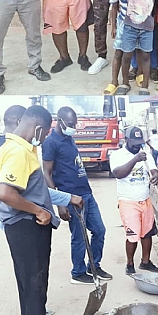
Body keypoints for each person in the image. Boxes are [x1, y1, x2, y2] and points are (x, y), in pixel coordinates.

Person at [0, 104, 78, 315]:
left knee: (27, 283)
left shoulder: (11, 147)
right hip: (26, 225)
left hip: (19, 225)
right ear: (38, 128)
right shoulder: (18, 151)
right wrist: (39, 211)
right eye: (46, 132)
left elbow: (27, 188)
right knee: (35, 283)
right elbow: (4, 192)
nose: (46, 136)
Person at [42, 106, 112, 284]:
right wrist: (60, 203)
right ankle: (78, 272)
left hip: (86, 194)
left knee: (99, 230)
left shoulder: (69, 137)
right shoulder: (51, 142)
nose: (74, 126)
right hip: (71, 197)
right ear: (60, 120)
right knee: (79, 236)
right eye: (71, 124)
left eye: (75, 123)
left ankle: (94, 266)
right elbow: (47, 173)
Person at [104, 0, 158, 95]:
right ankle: (124, 84)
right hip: (130, 26)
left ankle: (144, 86)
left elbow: (155, 5)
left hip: (147, 28)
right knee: (126, 56)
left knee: (146, 56)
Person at [109, 127, 158, 275]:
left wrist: (156, 176)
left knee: (148, 233)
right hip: (127, 201)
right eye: (134, 142)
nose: (138, 145)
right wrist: (135, 159)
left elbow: (153, 170)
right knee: (133, 236)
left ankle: (145, 262)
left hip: (145, 200)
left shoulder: (146, 155)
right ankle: (130, 263)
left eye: (140, 142)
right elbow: (118, 174)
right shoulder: (117, 155)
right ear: (126, 139)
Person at [103, 0, 132, 95]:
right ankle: (114, 81)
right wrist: (113, 26)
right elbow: (114, 7)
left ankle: (138, 75)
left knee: (137, 51)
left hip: (138, 24)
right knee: (118, 52)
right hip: (123, 24)